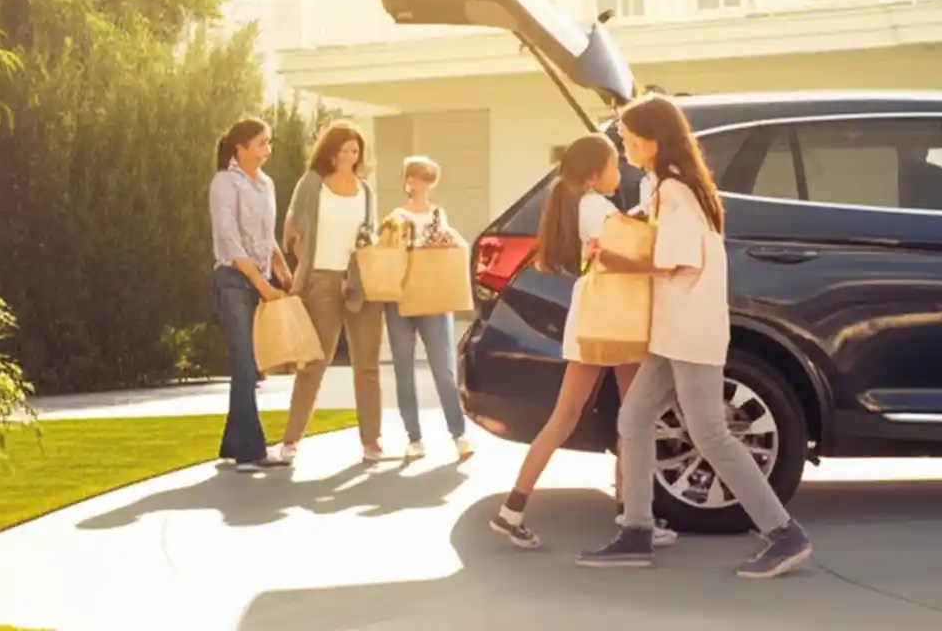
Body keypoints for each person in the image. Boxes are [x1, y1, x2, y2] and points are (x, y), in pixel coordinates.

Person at [576, 93, 812, 578]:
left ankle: (784, 533)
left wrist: (613, 258)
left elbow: (675, 261)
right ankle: (636, 530)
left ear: (653, 141)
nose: (623, 144)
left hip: (690, 331)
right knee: (634, 419)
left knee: (709, 434)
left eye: (628, 137)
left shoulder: (677, 191)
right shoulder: (665, 187)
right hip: (674, 331)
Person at [489, 133, 676, 549]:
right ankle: (633, 515)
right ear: (593, 174)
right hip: (615, 321)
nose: (619, 172)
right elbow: (623, 254)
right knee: (632, 418)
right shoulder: (596, 208)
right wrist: (658, 263)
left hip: (594, 320)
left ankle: (514, 509)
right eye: (613, 165)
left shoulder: (586, 206)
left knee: (568, 419)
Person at [279, 120, 386, 464]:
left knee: (367, 365)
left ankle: (371, 442)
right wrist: (302, 260)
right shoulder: (312, 183)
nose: (349, 157)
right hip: (321, 280)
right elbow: (291, 228)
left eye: (354, 151)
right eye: (343, 150)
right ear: (330, 152)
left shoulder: (366, 191)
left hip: (360, 281)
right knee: (314, 362)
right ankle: (290, 441)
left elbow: (370, 235)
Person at [209, 118, 294, 472]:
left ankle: (234, 444)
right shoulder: (224, 183)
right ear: (240, 147)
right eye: (261, 143)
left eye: (268, 143)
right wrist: (262, 284)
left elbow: (265, 235)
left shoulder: (266, 184)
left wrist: (282, 270)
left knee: (248, 365)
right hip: (233, 280)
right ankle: (250, 453)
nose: (267, 150)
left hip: (259, 279)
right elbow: (229, 238)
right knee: (245, 364)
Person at [382, 155, 475, 462]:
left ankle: (459, 434)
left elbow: (454, 243)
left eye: (424, 177)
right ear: (406, 180)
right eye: (413, 176)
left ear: (431, 182)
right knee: (404, 367)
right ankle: (414, 437)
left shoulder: (438, 215)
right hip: (401, 297)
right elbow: (388, 253)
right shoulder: (396, 217)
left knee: (443, 368)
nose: (417, 183)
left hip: (434, 297)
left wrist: (446, 243)